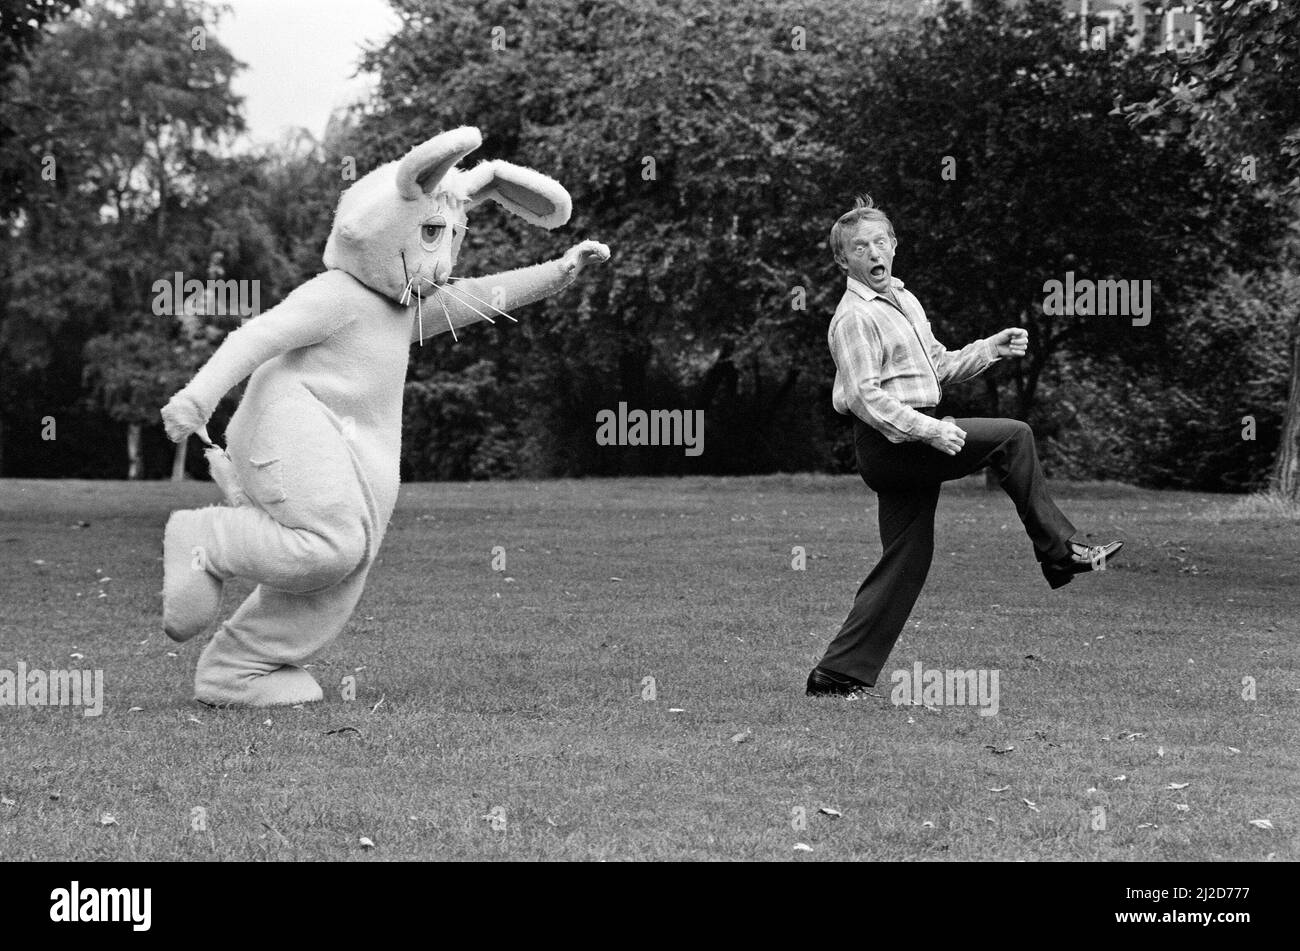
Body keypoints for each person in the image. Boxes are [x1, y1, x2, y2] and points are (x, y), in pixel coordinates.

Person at [806, 195, 1122, 697]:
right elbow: (866, 398)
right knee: (1014, 437)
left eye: (880, 241)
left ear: (894, 245)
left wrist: (988, 349)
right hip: (892, 443)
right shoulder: (853, 318)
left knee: (907, 557)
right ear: (844, 260)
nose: (872, 251)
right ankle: (1062, 552)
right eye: (859, 246)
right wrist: (930, 431)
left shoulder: (904, 301)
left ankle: (836, 674)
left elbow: (938, 366)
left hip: (914, 433)